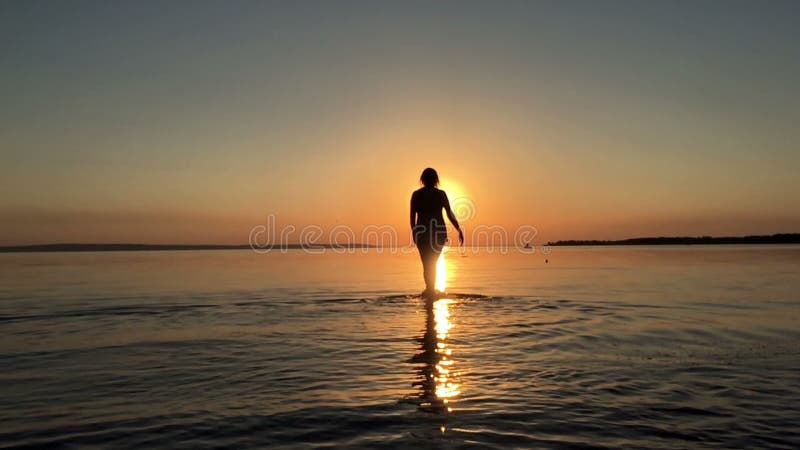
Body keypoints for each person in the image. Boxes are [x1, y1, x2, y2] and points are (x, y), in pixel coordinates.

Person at [410, 168, 464, 296]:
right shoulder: (441, 194)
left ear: (422, 180)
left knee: (426, 263)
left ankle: (429, 289)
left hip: (422, 233)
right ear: (436, 180)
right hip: (438, 233)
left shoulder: (416, 195)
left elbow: (412, 217)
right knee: (433, 262)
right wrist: (458, 228)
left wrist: (414, 232)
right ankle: (431, 290)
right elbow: (449, 214)